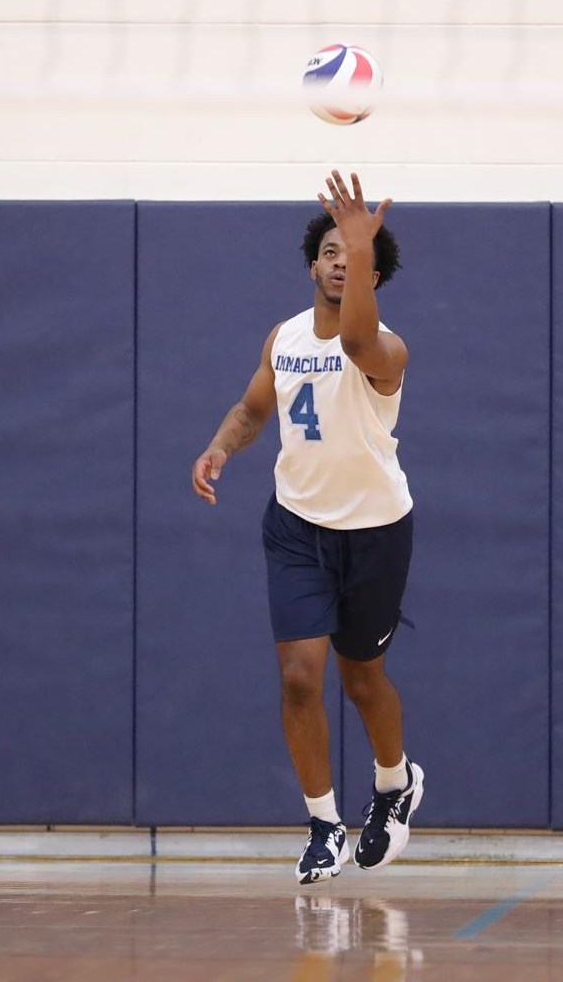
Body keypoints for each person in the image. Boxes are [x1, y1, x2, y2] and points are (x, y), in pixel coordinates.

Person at [191, 171, 425, 884]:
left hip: (376, 531)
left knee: (362, 680)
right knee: (299, 680)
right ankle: (323, 823)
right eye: (330, 250)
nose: (339, 260)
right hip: (296, 526)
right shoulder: (283, 337)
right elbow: (254, 408)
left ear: (373, 274)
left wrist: (361, 238)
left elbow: (353, 340)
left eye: (353, 255)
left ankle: (395, 784)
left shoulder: (385, 348)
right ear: (310, 262)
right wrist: (220, 446)